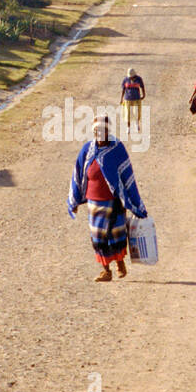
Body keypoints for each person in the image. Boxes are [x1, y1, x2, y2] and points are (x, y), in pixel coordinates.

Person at [68, 114, 147, 283]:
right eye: (96, 131)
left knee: (116, 235)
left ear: (108, 131)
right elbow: (78, 173)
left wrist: (134, 202)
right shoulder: (87, 150)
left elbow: (127, 174)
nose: (100, 134)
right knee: (98, 238)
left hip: (114, 201)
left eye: (103, 131)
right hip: (94, 202)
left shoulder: (117, 148)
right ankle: (106, 270)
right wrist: (74, 201)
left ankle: (120, 264)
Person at [119, 67, 146, 134]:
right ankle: (128, 128)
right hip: (127, 99)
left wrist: (144, 95)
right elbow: (123, 89)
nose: (131, 78)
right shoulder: (125, 79)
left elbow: (142, 87)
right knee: (128, 113)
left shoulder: (139, 79)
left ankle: (137, 124)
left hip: (137, 98)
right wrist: (121, 99)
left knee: (136, 112)